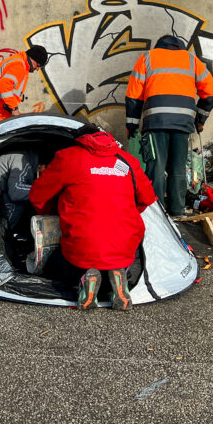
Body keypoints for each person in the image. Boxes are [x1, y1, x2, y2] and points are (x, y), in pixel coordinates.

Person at [28, 125, 156, 311]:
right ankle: (119, 272)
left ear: (80, 140)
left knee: (55, 266)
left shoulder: (68, 156)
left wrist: (55, 212)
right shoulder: (128, 160)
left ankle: (85, 276)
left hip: (82, 243)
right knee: (123, 255)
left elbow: (38, 196)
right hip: (124, 243)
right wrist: (126, 212)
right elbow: (147, 197)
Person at [124, 34, 213, 217]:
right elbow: (211, 93)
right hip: (183, 123)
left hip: (156, 122)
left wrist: (132, 125)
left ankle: (157, 213)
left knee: (156, 167)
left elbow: (133, 97)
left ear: (160, 45)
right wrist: (200, 120)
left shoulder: (147, 58)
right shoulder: (192, 60)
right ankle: (177, 210)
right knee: (178, 166)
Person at [0, 45, 49, 134]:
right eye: (38, 65)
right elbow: (5, 85)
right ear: (32, 58)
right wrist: (14, 109)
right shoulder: (19, 65)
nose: (37, 69)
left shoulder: (19, 62)